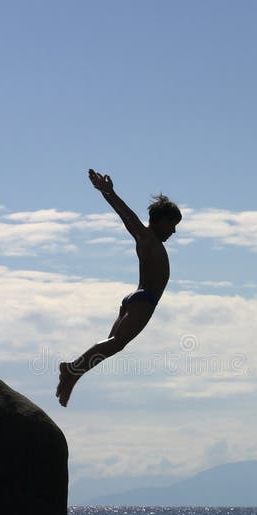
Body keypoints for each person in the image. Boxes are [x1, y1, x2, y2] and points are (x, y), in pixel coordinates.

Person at [56, 169, 182, 406]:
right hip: (145, 299)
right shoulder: (146, 237)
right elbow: (127, 216)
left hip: (135, 298)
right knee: (116, 343)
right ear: (160, 221)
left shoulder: (149, 239)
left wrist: (107, 192)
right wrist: (108, 192)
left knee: (112, 343)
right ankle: (72, 370)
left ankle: (72, 374)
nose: (174, 231)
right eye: (172, 225)